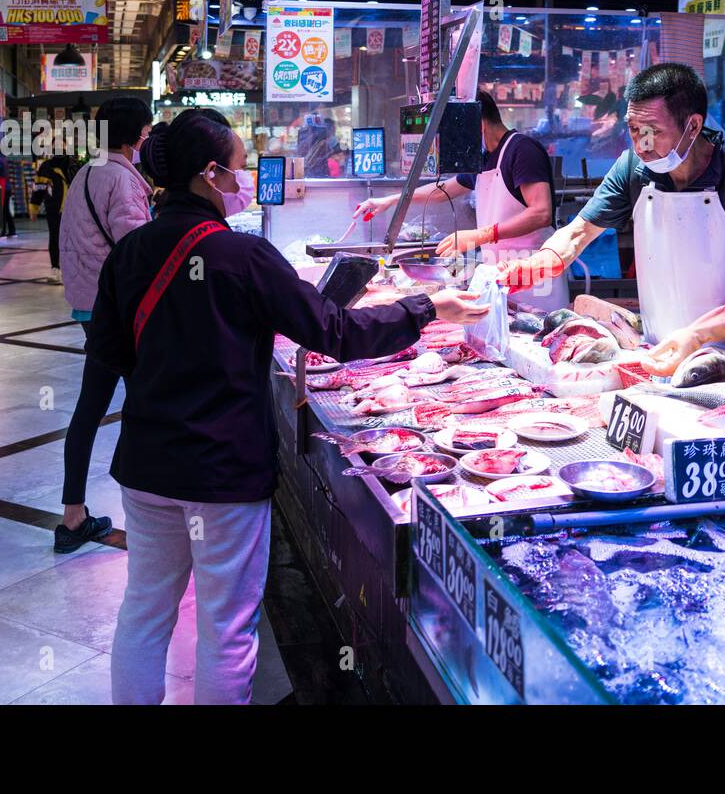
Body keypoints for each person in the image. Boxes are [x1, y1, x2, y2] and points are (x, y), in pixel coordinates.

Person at [87, 109, 487, 704]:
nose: (243, 183)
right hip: (222, 472)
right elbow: (337, 332)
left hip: (147, 464)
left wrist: (169, 380)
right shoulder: (242, 256)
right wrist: (426, 308)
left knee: (144, 611)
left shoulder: (131, 252)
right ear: (211, 174)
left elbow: (108, 349)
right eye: (239, 170)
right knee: (226, 629)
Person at [497, 63, 725, 372]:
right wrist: (534, 264)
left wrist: (700, 334)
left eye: (654, 132)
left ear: (693, 126)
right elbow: (577, 234)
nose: (642, 145)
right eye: (634, 129)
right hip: (663, 358)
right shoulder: (633, 169)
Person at [354, 90, 568, 309]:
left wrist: (480, 235)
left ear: (479, 125)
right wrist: (392, 200)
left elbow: (541, 213)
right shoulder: (483, 158)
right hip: (502, 275)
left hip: (536, 279)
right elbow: (442, 190)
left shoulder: (522, 150)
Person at [56, 96, 153, 553]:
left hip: (87, 305)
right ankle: (153, 511)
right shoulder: (121, 179)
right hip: (116, 310)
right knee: (146, 403)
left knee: (90, 407)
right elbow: (136, 253)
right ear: (137, 136)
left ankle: (73, 516)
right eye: (147, 131)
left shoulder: (87, 171)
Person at [34, 150, 75, 284]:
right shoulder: (46, 166)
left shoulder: (73, 165)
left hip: (74, 210)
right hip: (54, 209)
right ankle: (55, 268)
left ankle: (71, 269)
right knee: (55, 237)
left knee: (73, 239)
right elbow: (39, 187)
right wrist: (34, 205)